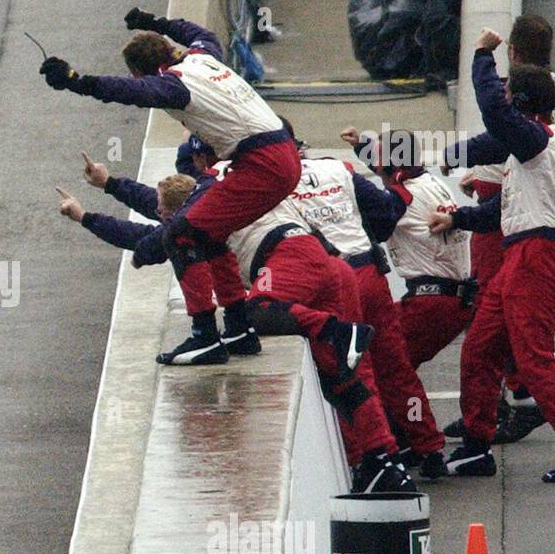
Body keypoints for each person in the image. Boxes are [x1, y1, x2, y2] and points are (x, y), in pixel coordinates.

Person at [429, 28, 555, 483]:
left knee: (533, 356)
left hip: (537, 256)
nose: (502, 99)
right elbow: (502, 211)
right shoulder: (530, 145)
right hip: (524, 253)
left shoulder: (535, 141)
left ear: (522, 102)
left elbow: (493, 111)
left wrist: (482, 54)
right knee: (480, 348)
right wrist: (459, 219)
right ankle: (476, 446)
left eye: (511, 94)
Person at [193, 171, 413, 492]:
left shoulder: (214, 182)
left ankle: (338, 334)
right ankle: (384, 459)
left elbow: (175, 226)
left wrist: (111, 198)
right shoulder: (307, 169)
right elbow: (386, 206)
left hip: (293, 258)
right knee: (348, 376)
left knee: (261, 310)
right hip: (341, 263)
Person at [39, 8, 301, 270]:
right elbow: (199, 33)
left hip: (264, 166)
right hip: (281, 154)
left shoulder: (172, 86)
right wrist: (155, 22)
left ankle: (199, 295)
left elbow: (125, 91)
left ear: (141, 73)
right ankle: (229, 305)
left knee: (183, 233)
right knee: (211, 238)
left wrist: (76, 81)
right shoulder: (204, 56)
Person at [442, 14, 555, 443]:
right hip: (522, 202)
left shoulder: (524, 105)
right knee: (499, 319)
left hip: (521, 224)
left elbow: (500, 129)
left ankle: (514, 404)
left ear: (513, 53)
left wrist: (481, 53)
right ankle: (496, 408)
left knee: (501, 316)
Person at [289, 147, 448, 480]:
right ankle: (430, 447)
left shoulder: (272, 182)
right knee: (396, 366)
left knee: (352, 373)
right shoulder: (339, 168)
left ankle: (375, 458)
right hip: (369, 273)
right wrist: (365, 234)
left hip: (333, 280)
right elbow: (385, 210)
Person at [61, 159, 253, 365]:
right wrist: (108, 183)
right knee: (197, 238)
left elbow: (149, 239)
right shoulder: (204, 193)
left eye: (162, 213)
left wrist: (86, 219)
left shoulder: (193, 213)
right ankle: (239, 327)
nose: (159, 214)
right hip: (259, 239)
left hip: (261, 253)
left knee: (180, 240)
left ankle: (205, 336)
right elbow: (151, 203)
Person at [341, 126, 475, 368]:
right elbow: (391, 176)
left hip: (431, 305)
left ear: (392, 164)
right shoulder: (429, 182)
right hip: (452, 301)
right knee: (392, 369)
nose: (375, 164)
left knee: (380, 368)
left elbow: (379, 210)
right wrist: (362, 147)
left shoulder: (403, 197)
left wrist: (342, 174)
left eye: (377, 157)